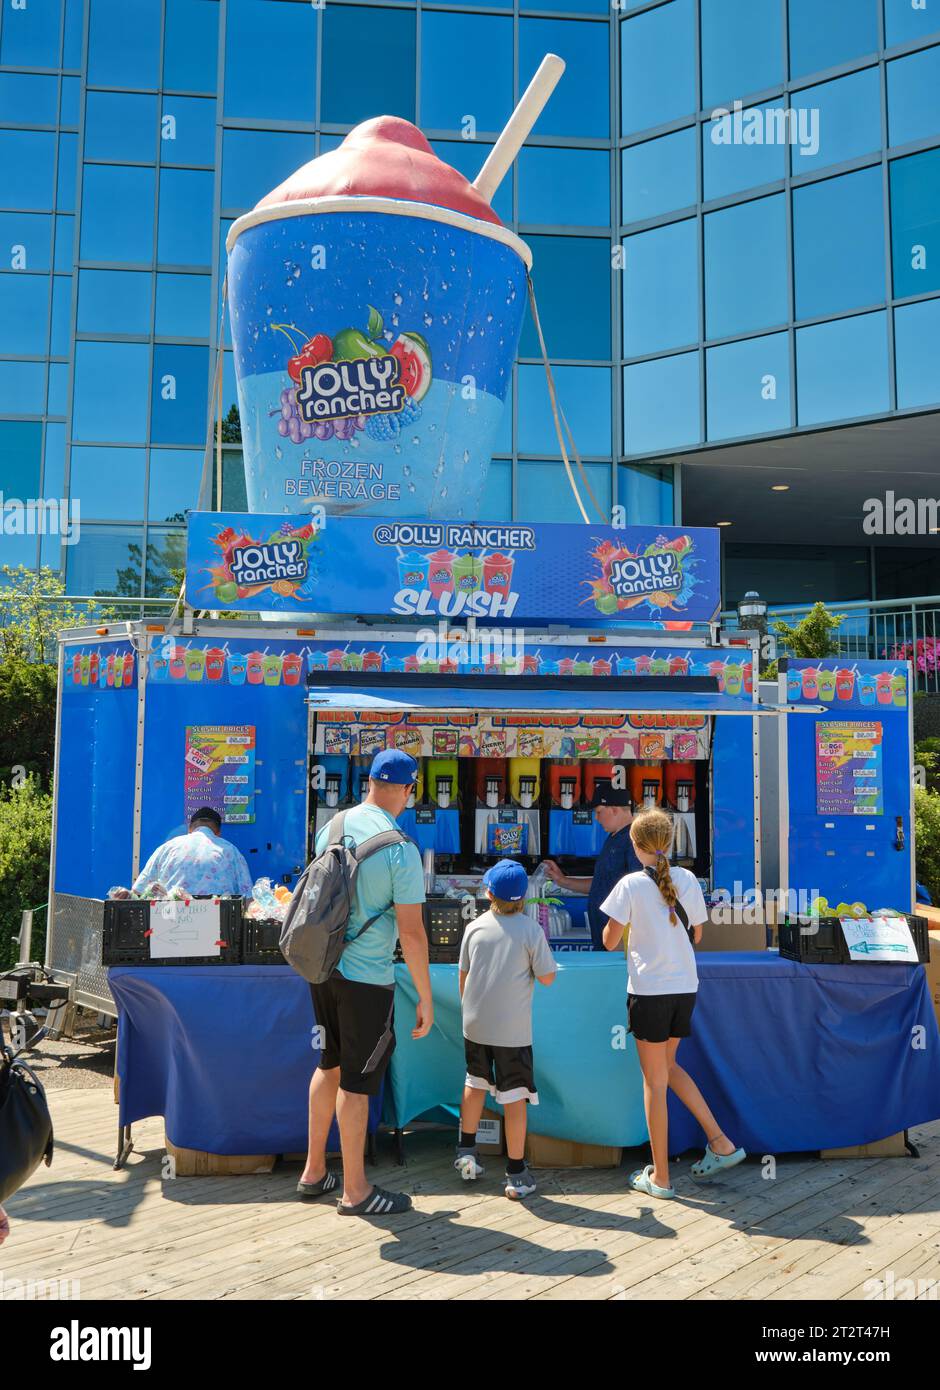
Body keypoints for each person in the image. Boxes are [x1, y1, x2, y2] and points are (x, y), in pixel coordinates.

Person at [299, 748, 432, 1217]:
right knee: (356, 1085)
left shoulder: (330, 828)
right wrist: (426, 998)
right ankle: (355, 1191)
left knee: (327, 1064)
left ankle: (315, 1171)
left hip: (323, 968)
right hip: (368, 981)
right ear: (406, 789)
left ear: (371, 782)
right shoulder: (400, 847)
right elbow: (413, 935)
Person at [600, 807, 745, 1199]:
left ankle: (661, 1177)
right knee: (668, 1066)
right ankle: (720, 1142)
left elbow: (608, 941)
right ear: (670, 841)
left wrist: (631, 924)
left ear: (635, 843)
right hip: (684, 988)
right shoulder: (687, 880)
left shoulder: (629, 884)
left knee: (654, 1082)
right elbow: (697, 934)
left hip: (649, 991)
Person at [454, 859, 556, 1201]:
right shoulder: (531, 930)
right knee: (514, 1099)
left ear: (487, 893)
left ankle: (465, 1151)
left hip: (475, 1024)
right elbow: (547, 977)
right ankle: (516, 1172)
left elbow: (463, 978)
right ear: (524, 898)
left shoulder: (475, 927)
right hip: (512, 1032)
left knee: (475, 1083)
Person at [541, 785, 641, 950]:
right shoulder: (613, 838)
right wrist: (562, 880)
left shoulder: (634, 839)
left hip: (621, 945)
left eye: (599, 811)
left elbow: (637, 890)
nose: (596, 818)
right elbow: (602, 884)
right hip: (604, 940)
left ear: (614, 809)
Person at [130, 807, 253, 898]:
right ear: (218, 833)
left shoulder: (166, 848)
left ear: (189, 828)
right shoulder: (231, 851)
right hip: (220, 924)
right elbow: (248, 897)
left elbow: (138, 891)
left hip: (169, 922)